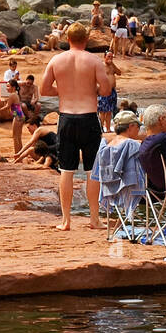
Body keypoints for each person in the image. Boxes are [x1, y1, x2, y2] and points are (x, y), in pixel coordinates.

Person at [39, 21, 116, 230]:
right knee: (92, 170)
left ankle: (65, 221)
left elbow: (44, 89)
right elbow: (107, 90)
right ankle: (94, 219)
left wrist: (63, 91)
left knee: (66, 169)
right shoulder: (94, 61)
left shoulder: (56, 60)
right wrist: (92, 89)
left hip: (66, 119)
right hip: (89, 118)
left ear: (68, 39)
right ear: (86, 39)